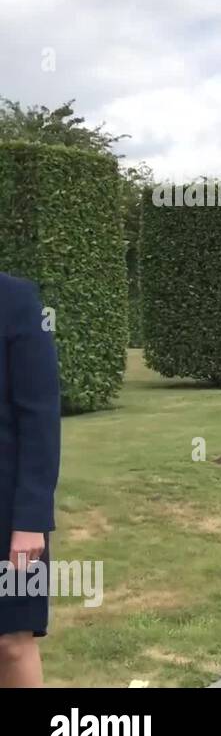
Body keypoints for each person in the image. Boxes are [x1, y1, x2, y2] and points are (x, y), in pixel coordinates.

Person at [1, 272, 61, 688]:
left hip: (9, 511)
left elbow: (40, 417)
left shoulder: (17, 300)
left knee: (12, 642)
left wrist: (31, 520)